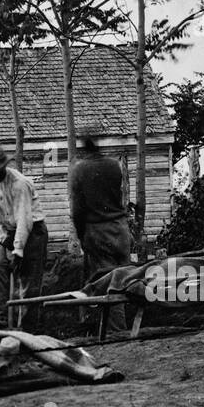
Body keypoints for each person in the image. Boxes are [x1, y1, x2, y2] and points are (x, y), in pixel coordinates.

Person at [0, 141, 48, 329]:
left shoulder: (20, 184)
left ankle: (27, 329)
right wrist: (4, 238)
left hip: (33, 232)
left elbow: (24, 220)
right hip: (10, 232)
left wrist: (17, 250)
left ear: (5, 165)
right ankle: (1, 318)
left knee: (28, 283)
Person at [69, 133, 132, 332]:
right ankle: (123, 326)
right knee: (125, 279)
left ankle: (117, 332)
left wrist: (82, 236)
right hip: (120, 228)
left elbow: (77, 210)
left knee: (110, 282)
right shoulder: (114, 165)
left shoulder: (79, 171)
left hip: (98, 231)